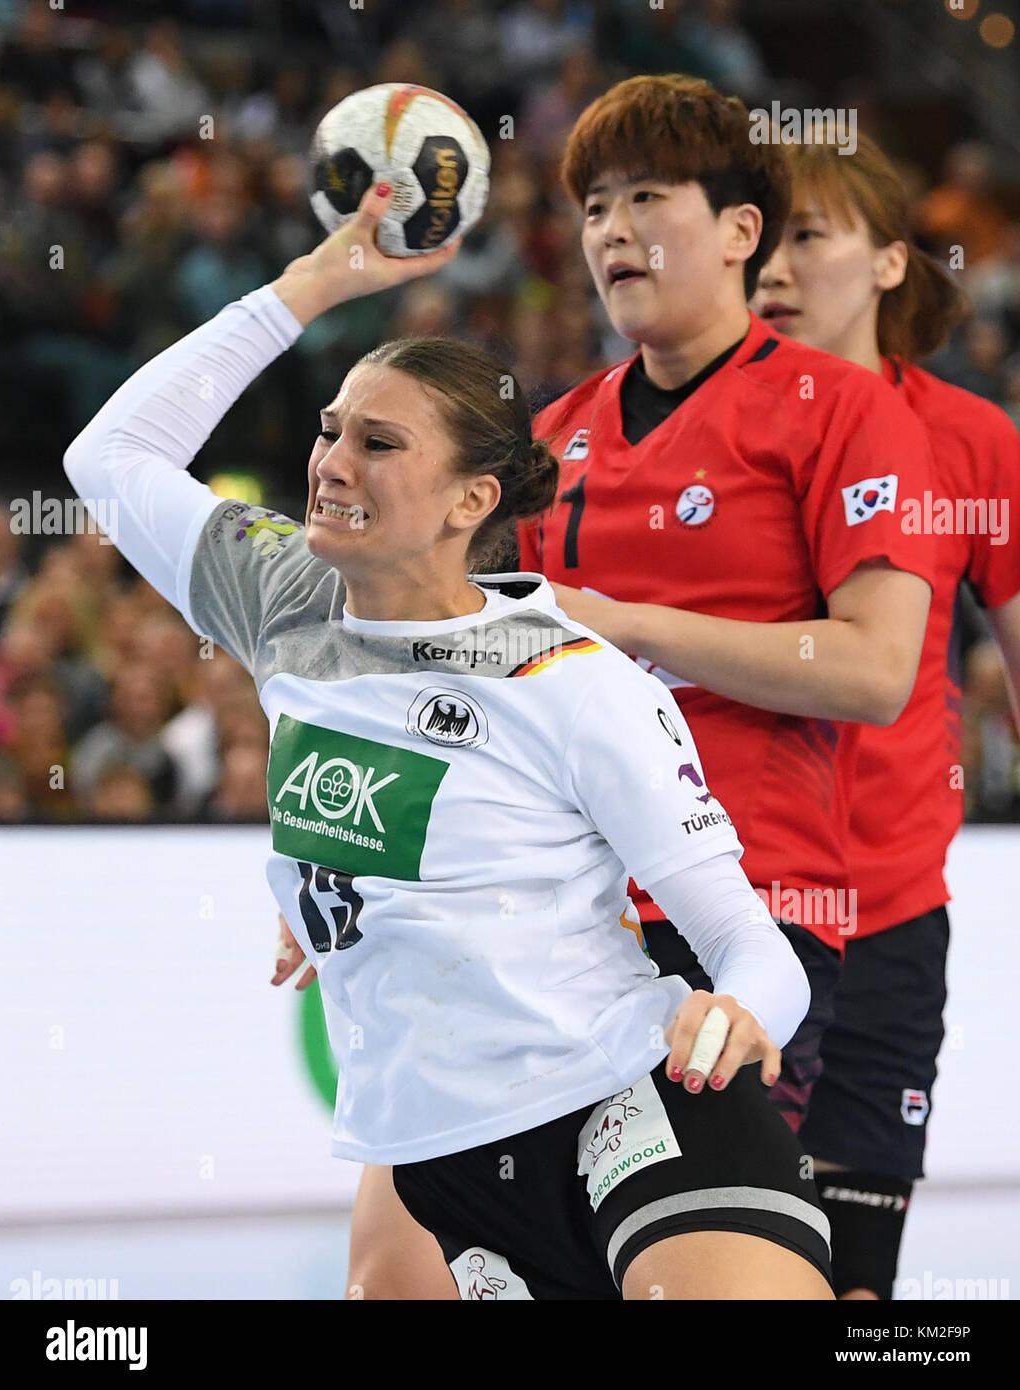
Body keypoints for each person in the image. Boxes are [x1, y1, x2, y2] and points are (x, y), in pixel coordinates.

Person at [64, 184, 832, 1301]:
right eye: (330, 429)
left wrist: (740, 1008)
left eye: (378, 444)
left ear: (472, 497)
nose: (331, 461)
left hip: (628, 1095)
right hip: (437, 1152)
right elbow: (114, 453)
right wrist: (314, 286)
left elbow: (745, 943)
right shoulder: (289, 598)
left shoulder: (569, 679)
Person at [286, 73, 940, 1301]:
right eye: (592, 204)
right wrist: (330, 856)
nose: (611, 229)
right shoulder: (551, 434)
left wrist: (625, 623)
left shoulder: (840, 410)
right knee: (393, 1278)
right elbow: (447, 670)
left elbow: (874, 669)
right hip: (536, 920)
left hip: (735, 910)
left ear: (742, 231)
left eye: (648, 196)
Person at [748, 133, 1020, 1300]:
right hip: (722, 913)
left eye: (807, 235)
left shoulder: (971, 442)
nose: (773, 268)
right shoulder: (697, 425)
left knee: (857, 1290)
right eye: (755, 237)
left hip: (891, 917)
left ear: (892, 263)